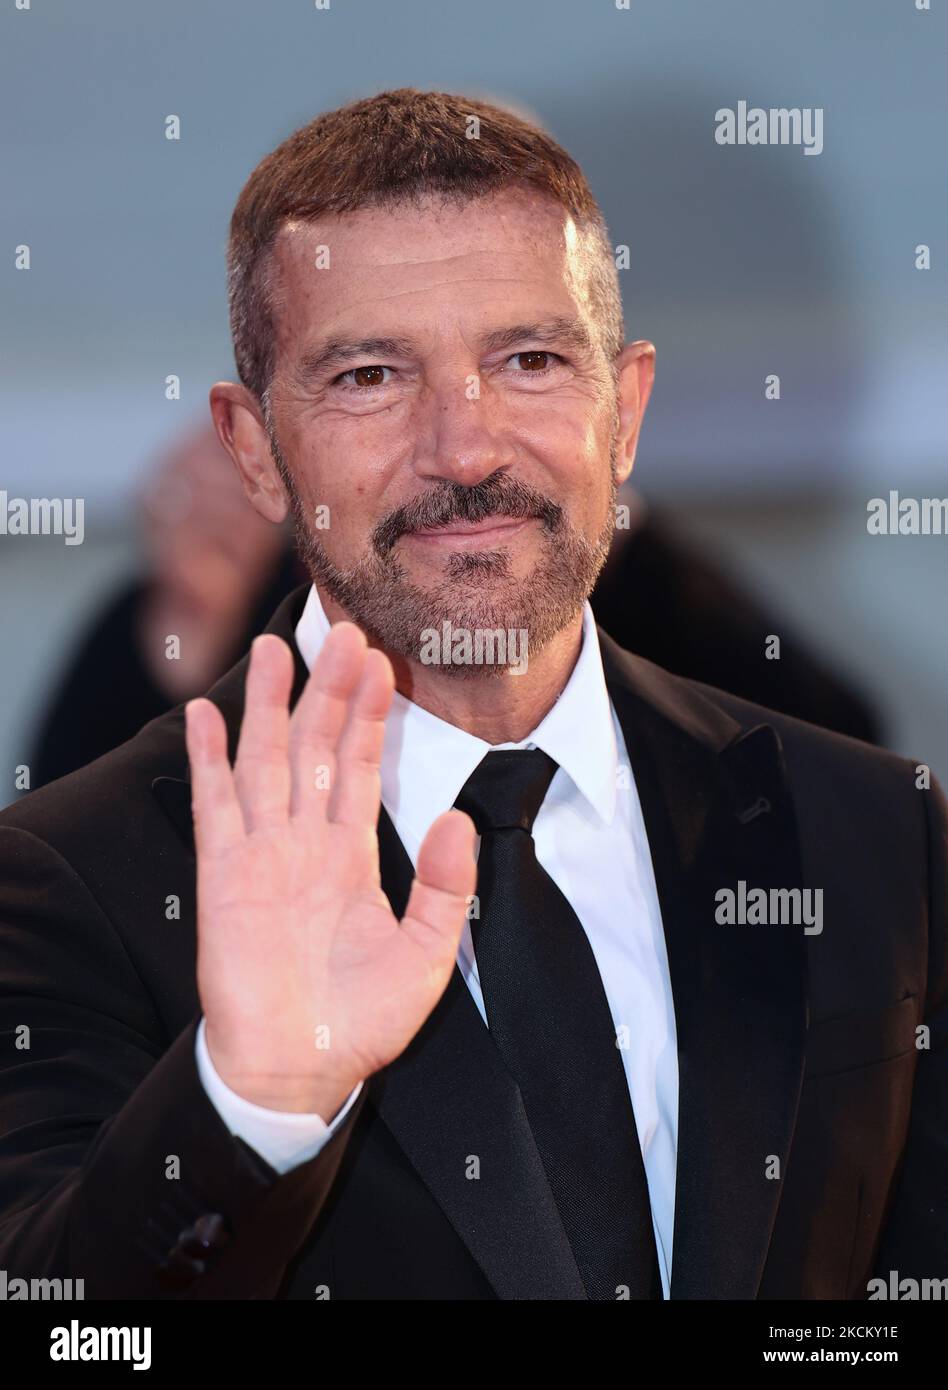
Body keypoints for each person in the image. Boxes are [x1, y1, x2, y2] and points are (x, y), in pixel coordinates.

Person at [0, 88, 942, 1301]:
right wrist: (250, 1110)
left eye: (532, 359)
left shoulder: (873, 831)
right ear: (252, 452)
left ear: (627, 411)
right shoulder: (64, 881)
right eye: (371, 375)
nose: (467, 445)